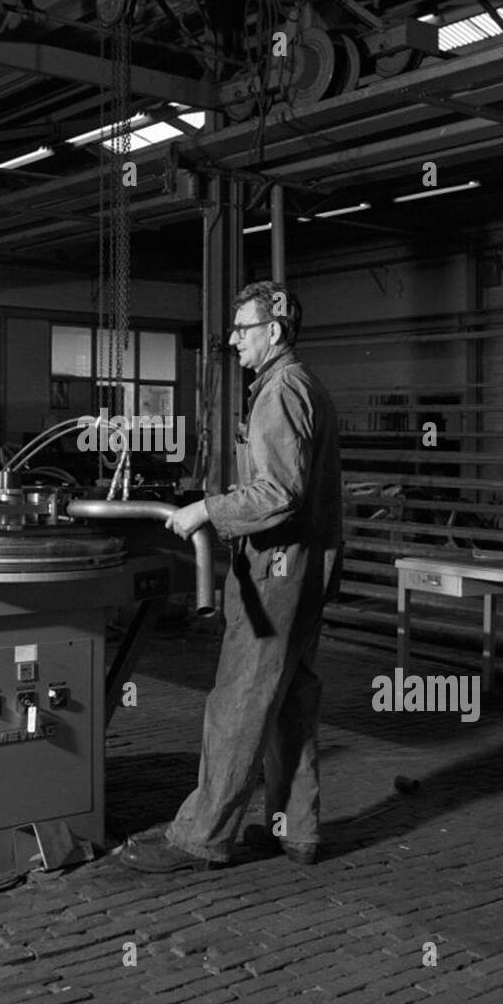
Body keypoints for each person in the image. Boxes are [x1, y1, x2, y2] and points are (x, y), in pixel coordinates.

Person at [120, 281, 343, 872]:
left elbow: (280, 492)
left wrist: (208, 509)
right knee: (290, 698)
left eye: (242, 330)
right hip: (307, 565)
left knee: (239, 700)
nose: (233, 341)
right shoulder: (301, 385)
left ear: (273, 331)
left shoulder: (280, 391)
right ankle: (294, 829)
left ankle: (202, 835)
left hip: (278, 567)